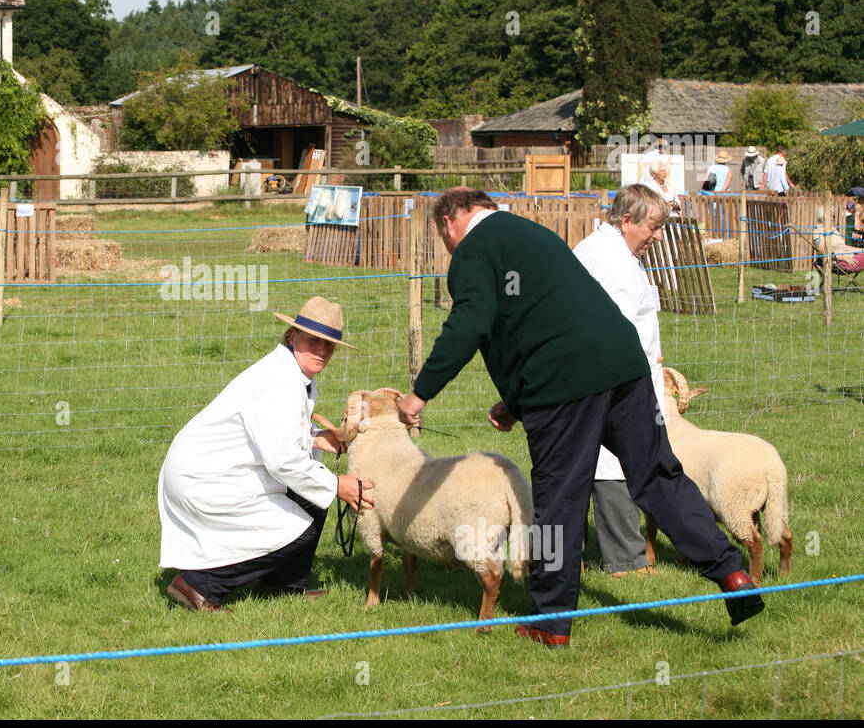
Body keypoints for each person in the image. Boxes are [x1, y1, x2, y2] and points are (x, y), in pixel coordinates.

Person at [395, 187, 762, 646]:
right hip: (624, 367)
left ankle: (550, 622)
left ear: (448, 221)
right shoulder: (533, 234)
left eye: (443, 235)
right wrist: (515, 401)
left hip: (564, 387)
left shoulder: (473, 249)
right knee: (657, 476)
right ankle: (731, 572)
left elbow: (470, 322)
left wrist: (419, 394)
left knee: (558, 503)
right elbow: (549, 318)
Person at [159, 297, 373, 611]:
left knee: (313, 497)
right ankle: (197, 584)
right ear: (293, 335)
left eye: (329, 344)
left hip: (220, 469)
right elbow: (284, 460)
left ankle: (282, 584)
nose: (322, 350)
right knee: (301, 523)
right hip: (205, 478)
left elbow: (275, 437)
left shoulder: (293, 375)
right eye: (314, 340)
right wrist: (339, 485)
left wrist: (315, 439)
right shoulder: (280, 382)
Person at [572, 186, 670, 578]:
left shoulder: (607, 251)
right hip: (613, 383)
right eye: (654, 227)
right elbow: (616, 332)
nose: (658, 236)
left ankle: (566, 557)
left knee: (580, 465)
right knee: (613, 463)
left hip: (599, 381)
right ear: (626, 220)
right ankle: (625, 561)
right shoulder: (611, 262)